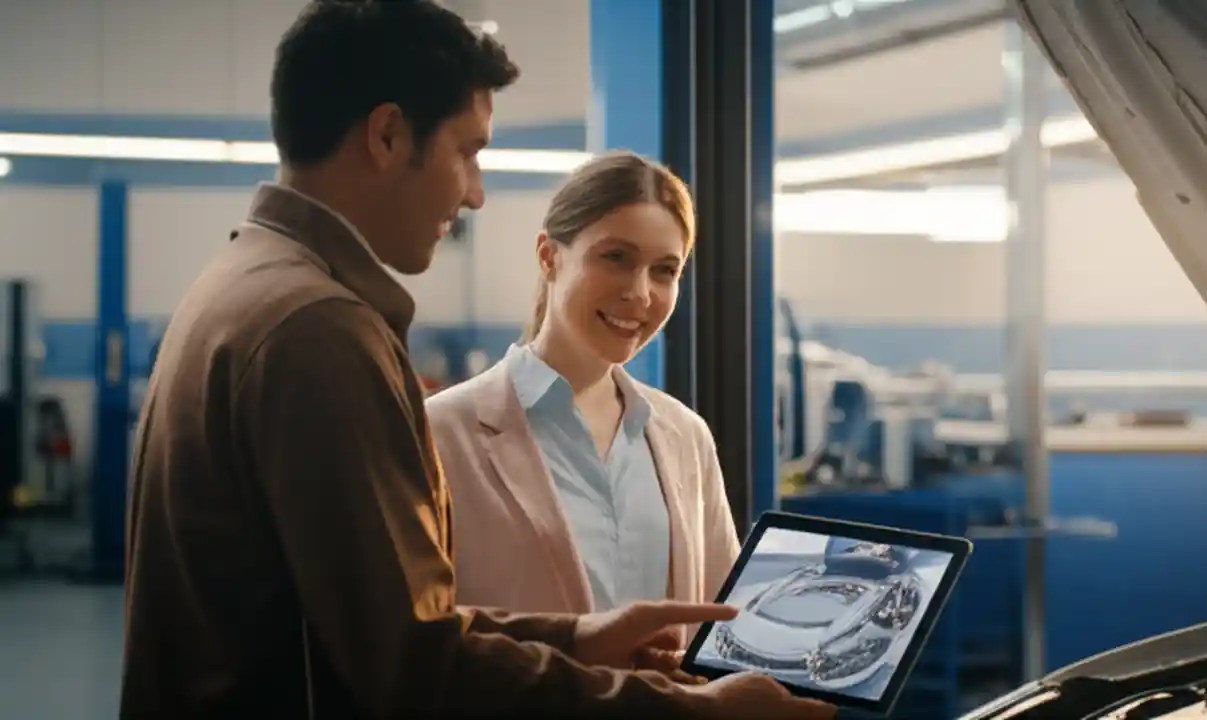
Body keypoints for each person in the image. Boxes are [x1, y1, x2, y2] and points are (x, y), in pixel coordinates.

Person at [119, 1, 834, 718]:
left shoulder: (244, 285)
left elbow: (389, 623)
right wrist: (693, 713)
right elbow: (413, 667)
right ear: (389, 135)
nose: (475, 192)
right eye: (468, 151)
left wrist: (576, 638)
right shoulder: (318, 330)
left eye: (666, 270)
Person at [426, 153, 738, 643]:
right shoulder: (441, 433)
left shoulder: (684, 436)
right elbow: (417, 642)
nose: (640, 293)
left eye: (664, 270)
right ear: (550, 256)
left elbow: (724, 626)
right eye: (616, 258)